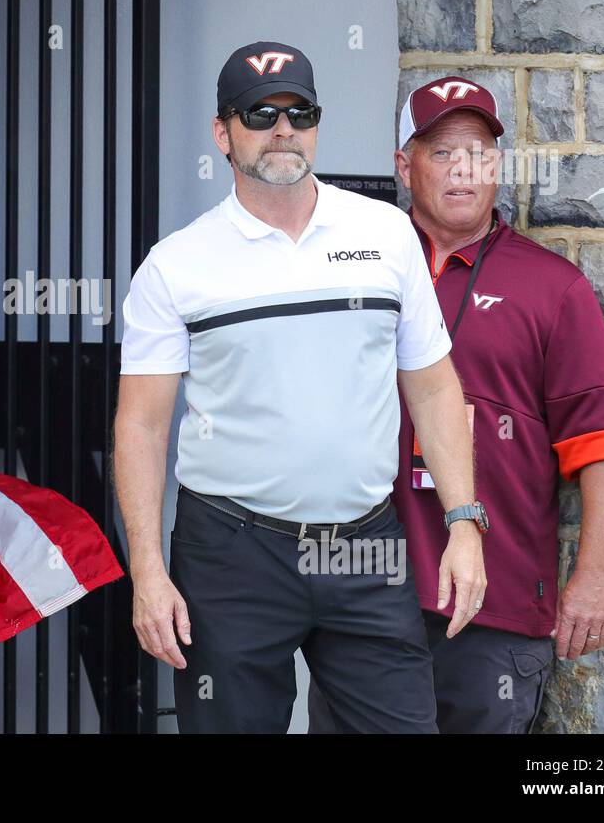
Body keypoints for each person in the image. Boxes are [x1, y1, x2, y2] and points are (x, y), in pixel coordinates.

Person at [114, 41, 486, 733]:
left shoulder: (386, 236)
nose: (282, 128)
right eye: (260, 114)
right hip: (233, 552)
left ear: (317, 124)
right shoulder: (175, 267)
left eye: (299, 112)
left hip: (364, 543)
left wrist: (465, 522)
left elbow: (434, 392)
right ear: (223, 133)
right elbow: (141, 427)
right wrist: (147, 571)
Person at [308, 76, 604, 734]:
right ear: (404, 166)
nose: (464, 170)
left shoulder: (553, 288)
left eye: (480, 152)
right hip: (360, 603)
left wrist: (593, 576)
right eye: (440, 152)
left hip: (494, 605)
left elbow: (599, 442)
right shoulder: (348, 272)